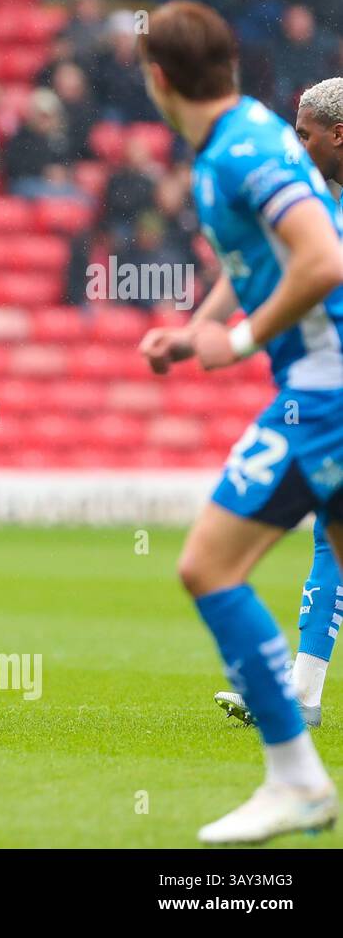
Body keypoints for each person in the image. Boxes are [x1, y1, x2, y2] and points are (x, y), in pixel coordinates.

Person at [136, 1, 343, 845]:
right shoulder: (243, 138)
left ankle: (295, 778)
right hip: (316, 383)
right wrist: (197, 332)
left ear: (157, 79)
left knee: (207, 565)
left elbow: (320, 260)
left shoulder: (246, 149)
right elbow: (256, 259)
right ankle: (296, 773)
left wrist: (241, 339)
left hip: (324, 389)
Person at [213, 77, 343, 732]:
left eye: (306, 132)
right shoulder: (314, 207)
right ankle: (303, 693)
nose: (296, 143)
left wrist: (235, 338)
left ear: (337, 135)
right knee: (330, 533)